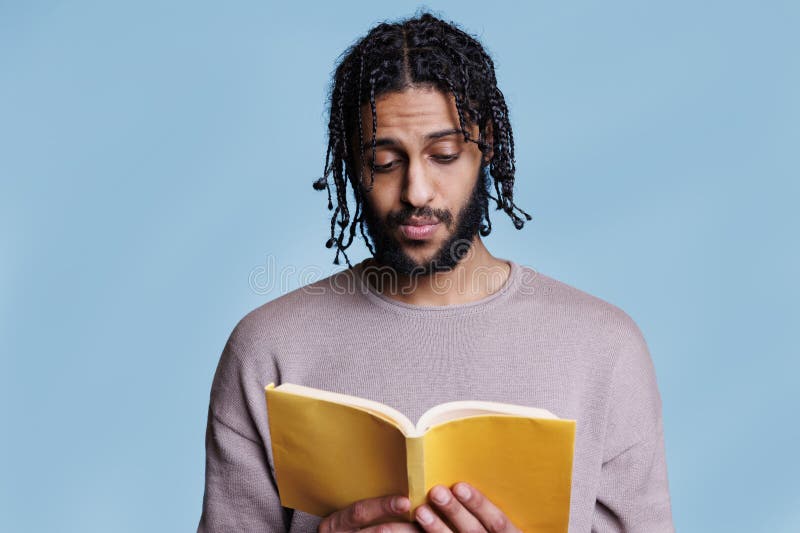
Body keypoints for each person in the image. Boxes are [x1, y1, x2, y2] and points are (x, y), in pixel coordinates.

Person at [197, 12, 674, 533]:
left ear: (485, 145)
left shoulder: (603, 348)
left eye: (443, 155)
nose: (416, 192)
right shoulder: (268, 348)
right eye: (384, 161)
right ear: (352, 163)